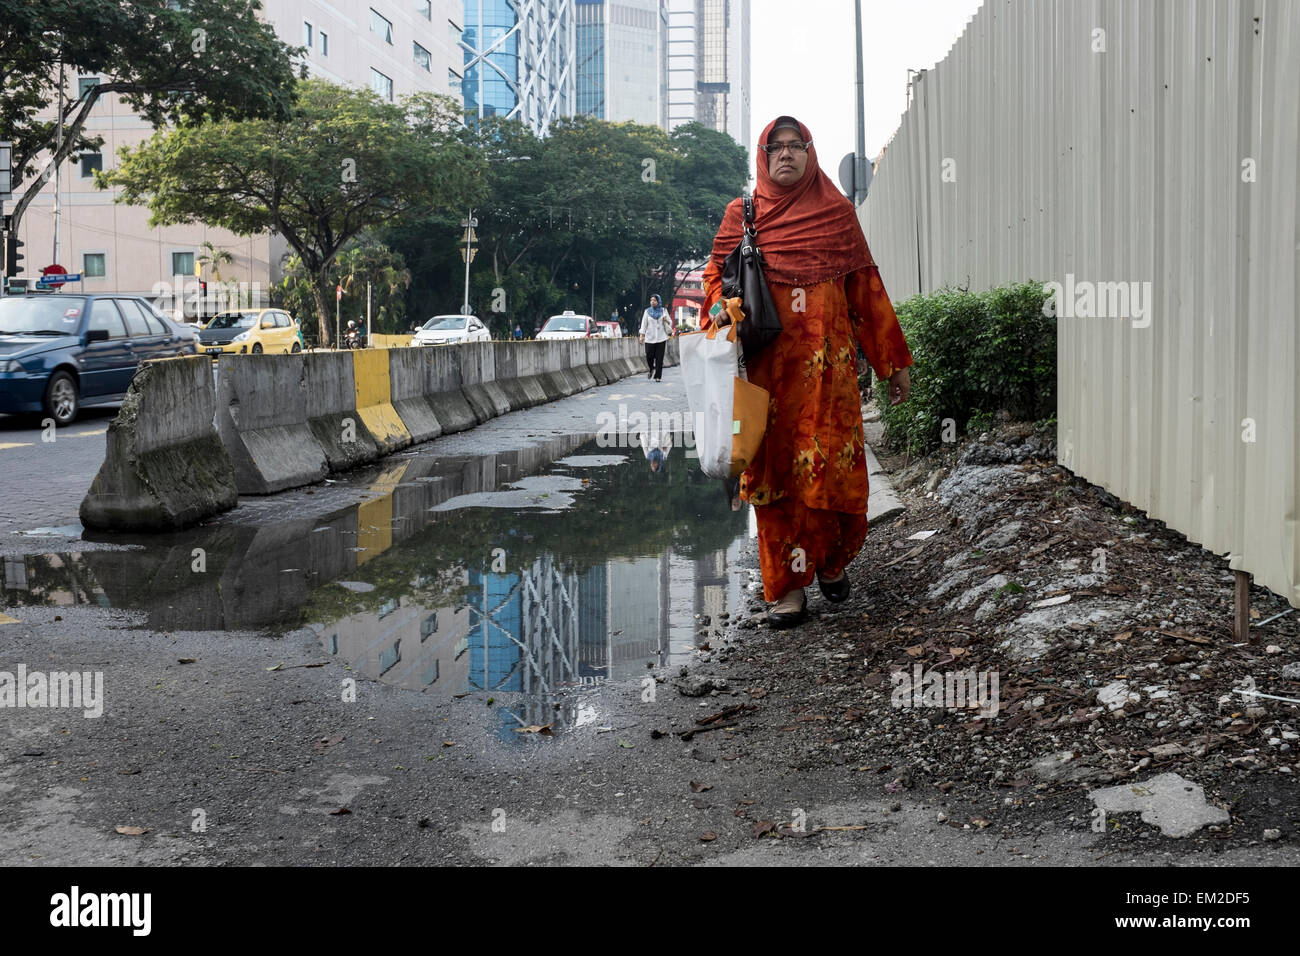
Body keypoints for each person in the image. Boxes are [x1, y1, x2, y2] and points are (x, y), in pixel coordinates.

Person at [701, 116, 913, 629]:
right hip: (766, 376)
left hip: (829, 377)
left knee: (831, 469)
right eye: (776, 147)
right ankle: (787, 589)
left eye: (797, 146)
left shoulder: (837, 214)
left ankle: (832, 562)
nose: (786, 154)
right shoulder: (743, 214)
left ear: (811, 153)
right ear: (763, 155)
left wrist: (892, 363)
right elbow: (714, 275)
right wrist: (720, 305)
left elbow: (866, 290)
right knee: (773, 476)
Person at [638, 294, 673, 381]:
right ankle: (651, 368)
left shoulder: (664, 311)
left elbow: (670, 322)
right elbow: (644, 324)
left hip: (661, 338)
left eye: (654, 300)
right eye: (651, 300)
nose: (652, 302)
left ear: (658, 301)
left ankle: (658, 376)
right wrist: (642, 336)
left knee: (659, 358)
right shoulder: (647, 311)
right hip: (650, 338)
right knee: (649, 356)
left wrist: (666, 320)